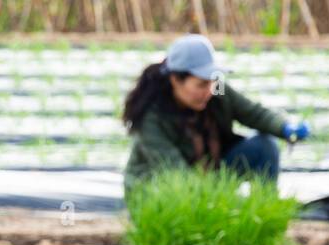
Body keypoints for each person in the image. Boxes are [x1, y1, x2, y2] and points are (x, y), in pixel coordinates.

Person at [122, 33, 310, 191]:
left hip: (207, 172)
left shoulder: (216, 89)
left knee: (265, 146)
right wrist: (222, 206)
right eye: (202, 84)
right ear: (175, 80)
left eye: (213, 81)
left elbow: (253, 114)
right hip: (159, 186)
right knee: (176, 193)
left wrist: (284, 127)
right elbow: (175, 173)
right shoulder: (152, 115)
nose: (210, 90)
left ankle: (263, 213)